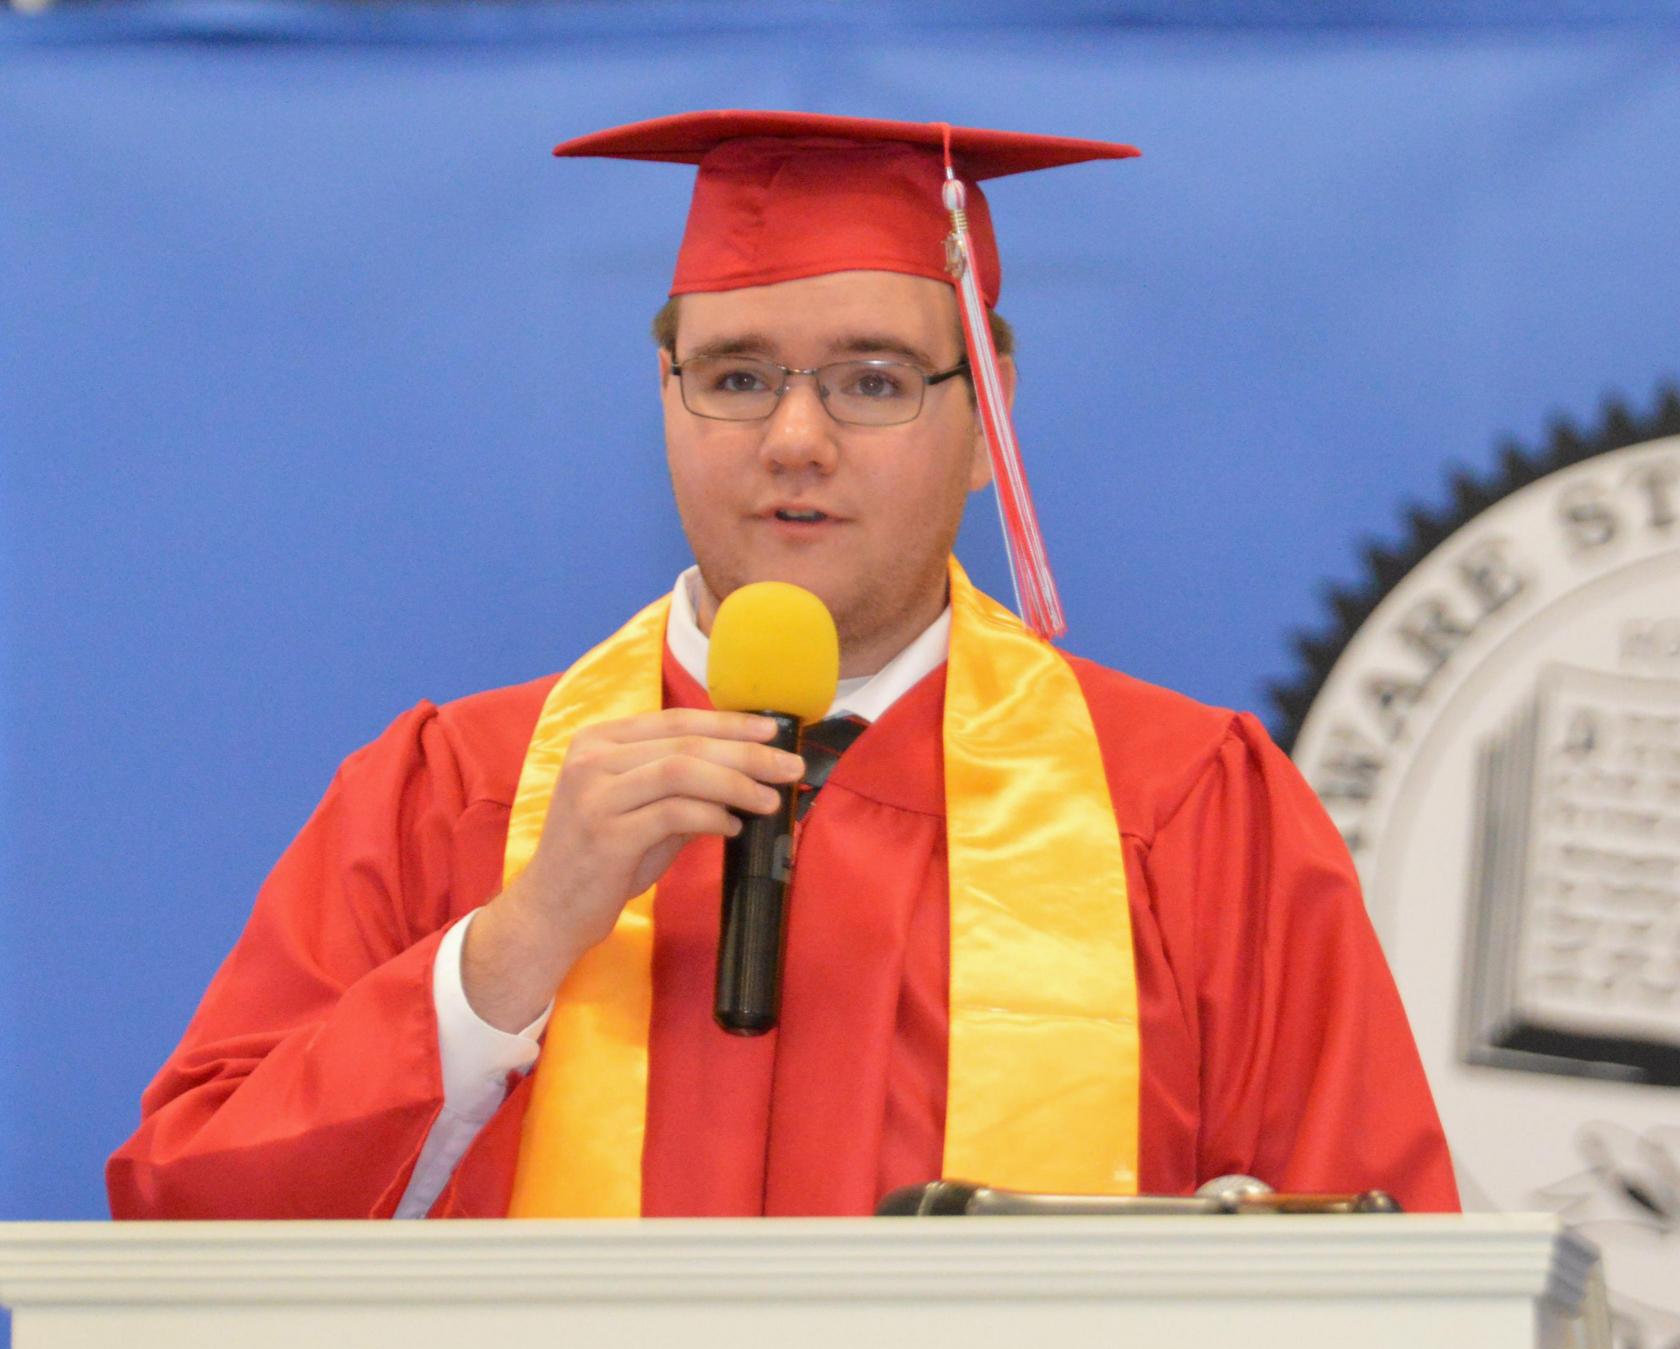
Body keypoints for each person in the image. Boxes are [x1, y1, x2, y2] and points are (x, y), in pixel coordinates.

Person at [107, 112, 1459, 1220]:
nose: (796, 438)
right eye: (738, 376)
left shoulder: (1186, 814)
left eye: (871, 379)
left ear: (989, 416)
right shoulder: (457, 795)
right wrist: (512, 949)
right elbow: (187, 1228)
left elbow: (1381, 1295)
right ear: (665, 396)